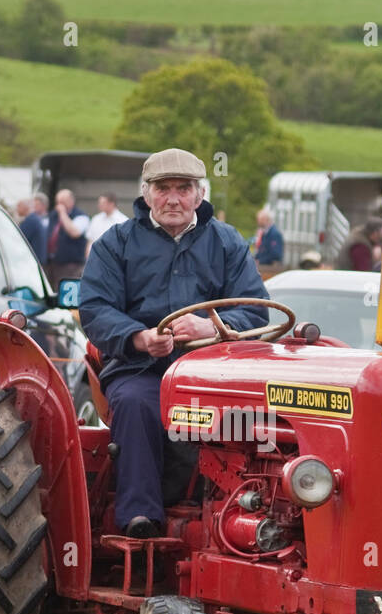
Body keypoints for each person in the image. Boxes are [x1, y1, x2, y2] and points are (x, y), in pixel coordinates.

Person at [80, 148, 269, 538]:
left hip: (213, 373)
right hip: (141, 368)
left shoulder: (227, 243)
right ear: (146, 194)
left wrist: (211, 329)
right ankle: (141, 520)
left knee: (260, 414)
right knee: (136, 403)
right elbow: (95, 309)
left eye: (183, 189)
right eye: (163, 188)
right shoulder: (115, 244)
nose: (173, 199)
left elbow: (254, 313)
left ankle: (249, 514)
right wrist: (140, 337)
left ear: (199, 195)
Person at [45, 188, 89, 285]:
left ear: (71, 201)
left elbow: (74, 233)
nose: (59, 205)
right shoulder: (53, 215)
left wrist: (63, 213)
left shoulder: (81, 216)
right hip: (52, 263)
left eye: (62, 202)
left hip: (71, 265)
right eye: (58, 202)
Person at [251, 207, 284, 278]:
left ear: (266, 219)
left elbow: (276, 255)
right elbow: (260, 251)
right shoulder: (265, 233)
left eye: (260, 220)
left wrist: (260, 261)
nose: (258, 222)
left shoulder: (274, 234)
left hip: (270, 270)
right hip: (264, 268)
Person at [19, 193, 49, 261]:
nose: (35, 207)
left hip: (33, 260)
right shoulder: (36, 219)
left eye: (36, 204)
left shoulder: (32, 220)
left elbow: (19, 239)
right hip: (39, 259)